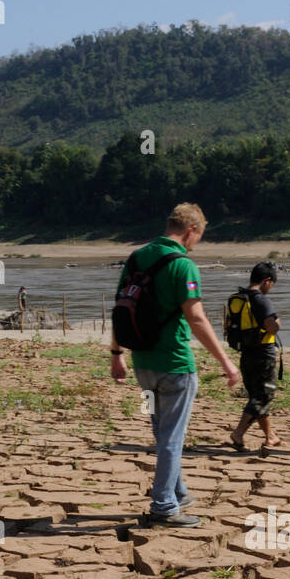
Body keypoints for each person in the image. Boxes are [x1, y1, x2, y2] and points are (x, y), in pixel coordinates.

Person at [110, 202, 239, 527]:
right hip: (175, 366)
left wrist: (116, 354)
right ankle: (165, 507)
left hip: (143, 366)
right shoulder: (184, 265)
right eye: (199, 236)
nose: (197, 243)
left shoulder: (136, 258)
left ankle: (177, 492)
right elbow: (196, 318)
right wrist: (226, 362)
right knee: (172, 438)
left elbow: (121, 307)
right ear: (191, 230)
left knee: (162, 433)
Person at [229, 261, 283, 453]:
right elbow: (272, 327)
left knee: (257, 396)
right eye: (272, 284)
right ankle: (238, 433)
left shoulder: (238, 297)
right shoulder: (260, 299)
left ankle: (270, 436)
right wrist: (278, 322)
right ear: (267, 281)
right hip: (263, 354)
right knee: (264, 394)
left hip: (246, 354)